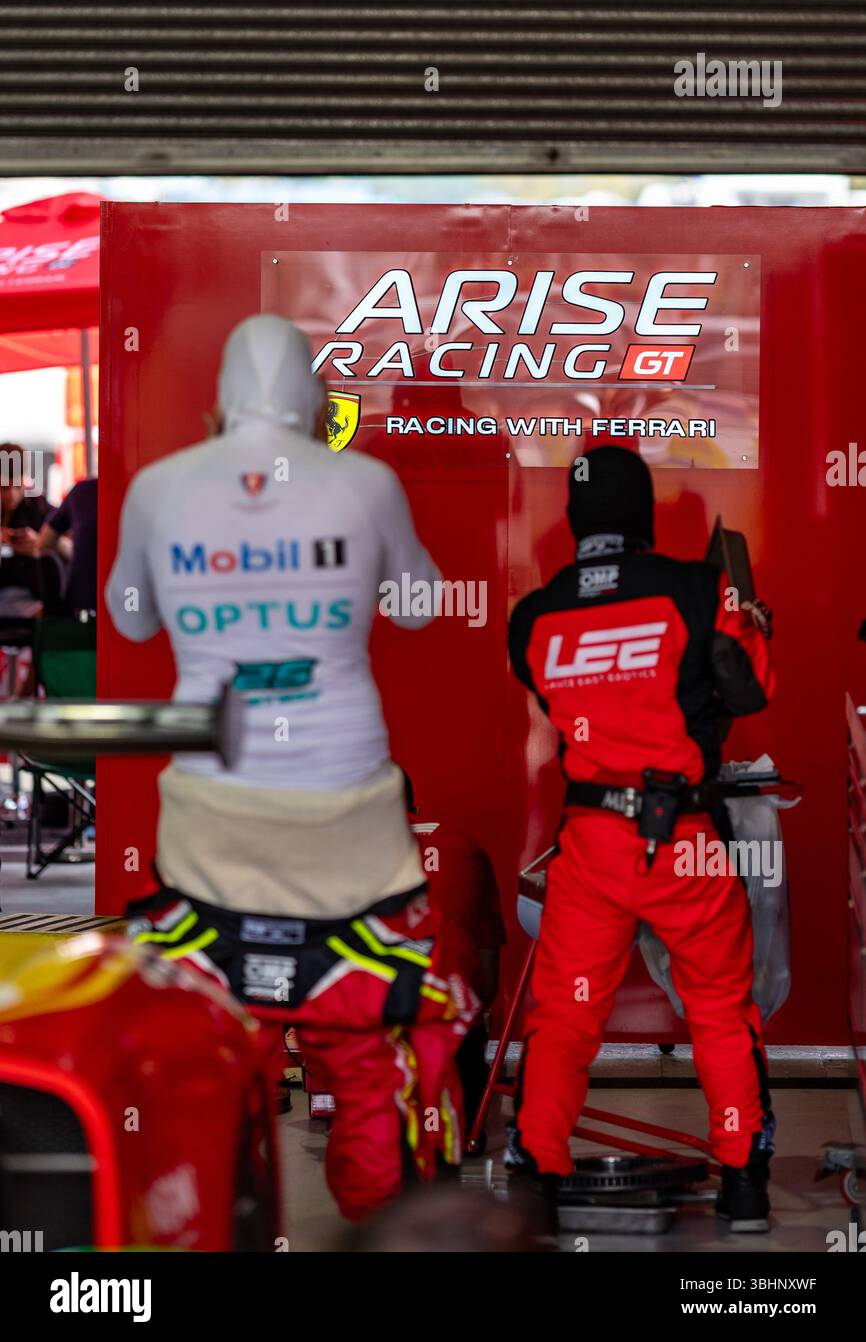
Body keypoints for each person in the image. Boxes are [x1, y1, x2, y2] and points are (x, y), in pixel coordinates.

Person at [106, 314, 477, 1223]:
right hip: (349, 818)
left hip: (211, 816)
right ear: (314, 403)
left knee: (211, 1066)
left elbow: (130, 619)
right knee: (368, 1056)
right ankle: (382, 1238)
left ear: (217, 402)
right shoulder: (366, 480)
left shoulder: (159, 487)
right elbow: (423, 605)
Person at [507, 446, 776, 1233]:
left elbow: (553, 691)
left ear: (574, 518)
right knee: (721, 1013)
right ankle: (743, 1186)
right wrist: (754, 621)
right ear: (644, 515)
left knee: (563, 1016)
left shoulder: (536, 615)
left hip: (592, 841)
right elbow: (751, 686)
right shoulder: (698, 589)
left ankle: (544, 1176)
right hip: (683, 838)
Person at [403, 770, 506, 1142]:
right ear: (413, 806)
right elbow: (487, 954)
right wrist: (476, 1016)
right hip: (455, 1003)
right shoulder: (465, 844)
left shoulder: (351, 848)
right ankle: (465, 1125)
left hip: (380, 1013)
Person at [0, 442, 55, 617]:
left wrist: (42, 543)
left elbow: (72, 548)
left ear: (26, 479)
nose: (11, 495)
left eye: (17, 487)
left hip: (30, 598)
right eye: (3, 487)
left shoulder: (38, 507)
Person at [38, 475, 98, 615]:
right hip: (131, 601)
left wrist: (79, 552)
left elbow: (45, 540)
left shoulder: (83, 491)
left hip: (83, 604)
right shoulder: (141, 491)